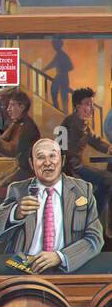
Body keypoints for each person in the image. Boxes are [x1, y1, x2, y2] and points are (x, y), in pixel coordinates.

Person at [0, 138, 103, 273]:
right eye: (40, 157)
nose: (47, 163)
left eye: (52, 156)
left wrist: (60, 257)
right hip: (25, 270)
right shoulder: (18, 190)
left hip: (67, 268)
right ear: (32, 164)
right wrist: (16, 213)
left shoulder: (82, 190)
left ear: (62, 161)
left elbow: (95, 238)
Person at [60, 87, 112, 227]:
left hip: (76, 166)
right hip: (71, 169)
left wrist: (109, 147)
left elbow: (94, 140)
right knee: (107, 181)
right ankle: (90, 216)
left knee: (107, 181)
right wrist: (72, 171)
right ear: (78, 107)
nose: (92, 108)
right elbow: (64, 150)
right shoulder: (70, 123)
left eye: (92, 104)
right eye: (88, 104)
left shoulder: (82, 123)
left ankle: (89, 215)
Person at [0, 88, 40, 198]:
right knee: (1, 180)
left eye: (12, 105)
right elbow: (4, 139)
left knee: (3, 187)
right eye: (8, 106)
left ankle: (8, 212)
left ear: (22, 107)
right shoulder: (17, 123)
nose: (8, 109)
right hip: (23, 167)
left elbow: (11, 150)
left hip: (29, 170)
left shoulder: (26, 126)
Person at [41, 38, 73, 113]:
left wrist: (63, 69)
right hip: (59, 77)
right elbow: (52, 64)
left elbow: (71, 67)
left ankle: (64, 112)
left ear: (59, 45)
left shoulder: (63, 55)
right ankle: (57, 109)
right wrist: (44, 69)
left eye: (54, 44)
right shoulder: (58, 55)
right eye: (53, 44)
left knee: (63, 95)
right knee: (54, 91)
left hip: (63, 77)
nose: (53, 46)